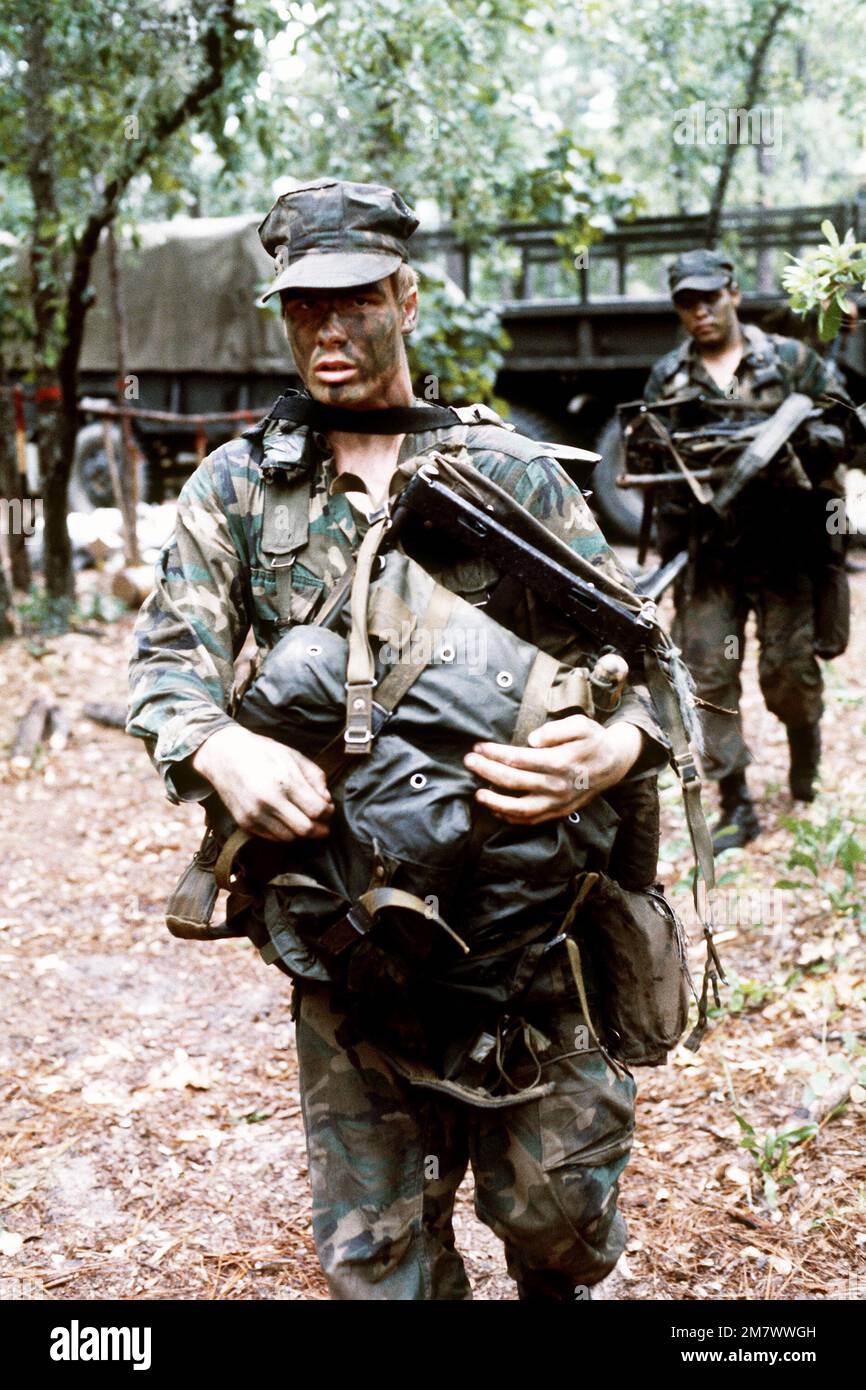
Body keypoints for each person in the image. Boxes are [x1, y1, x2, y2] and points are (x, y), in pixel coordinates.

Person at [128, 177, 673, 1301]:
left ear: (407, 298)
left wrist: (603, 756)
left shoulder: (507, 475)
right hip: (347, 937)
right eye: (303, 309)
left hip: (526, 928)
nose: (328, 331)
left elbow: (647, 679)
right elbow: (165, 667)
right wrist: (218, 746)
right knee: (377, 1265)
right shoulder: (240, 489)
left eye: (355, 301)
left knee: (559, 1223)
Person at [643, 249, 854, 853]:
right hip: (710, 553)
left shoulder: (790, 361)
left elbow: (847, 428)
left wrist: (804, 441)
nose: (701, 311)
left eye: (710, 297)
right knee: (707, 675)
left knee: (788, 671)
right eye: (687, 302)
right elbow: (652, 457)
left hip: (787, 548)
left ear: (733, 293)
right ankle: (735, 799)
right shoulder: (669, 377)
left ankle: (804, 767)